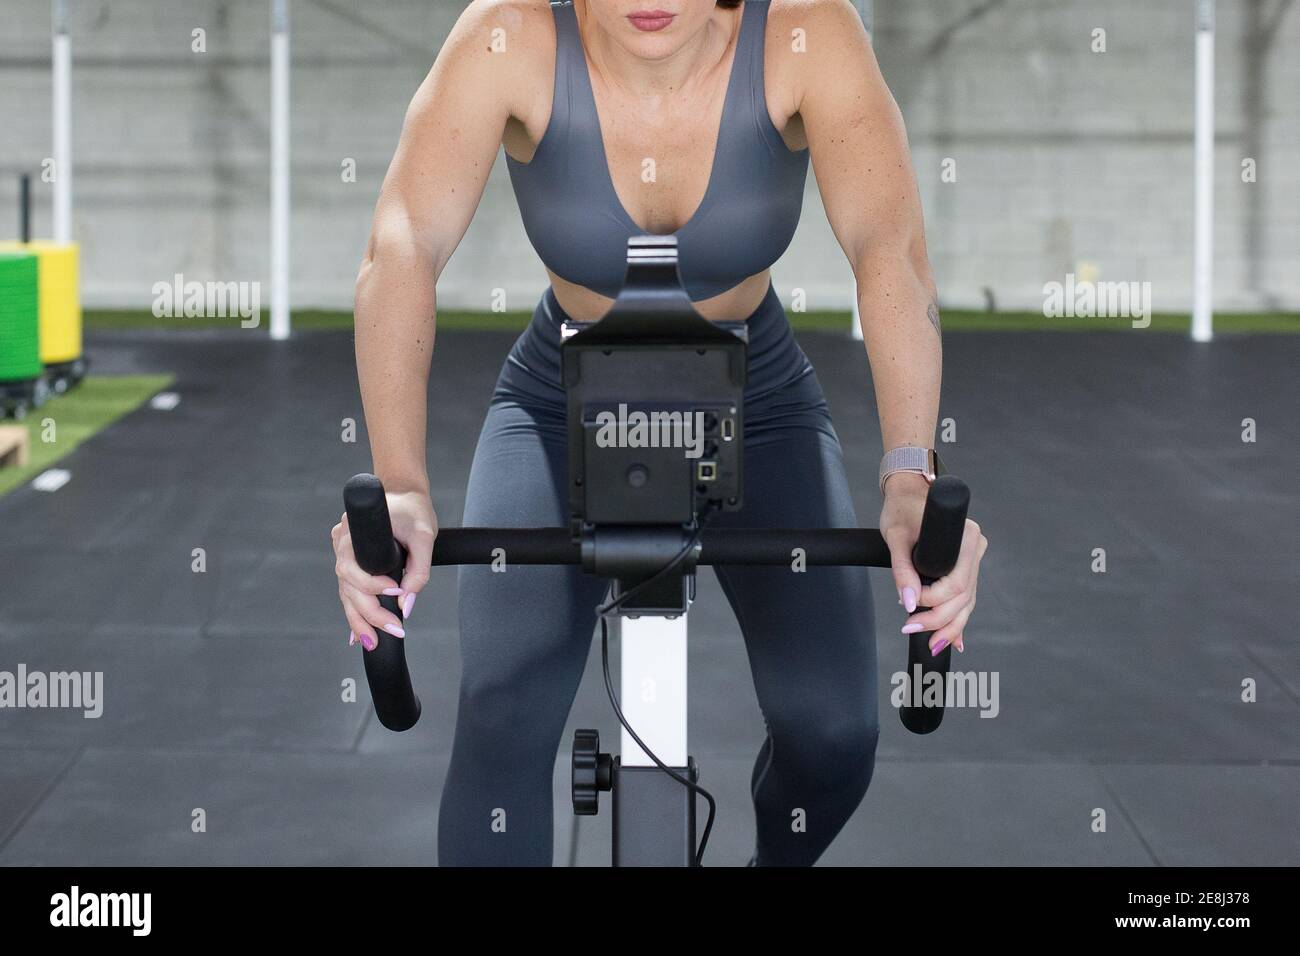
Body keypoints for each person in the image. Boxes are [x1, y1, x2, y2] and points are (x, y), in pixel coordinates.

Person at [331, 0, 988, 866]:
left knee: (832, 733)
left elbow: (888, 247)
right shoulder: (510, 34)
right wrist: (402, 489)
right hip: (558, 398)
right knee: (502, 711)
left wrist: (911, 478)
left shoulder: (806, 32)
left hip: (759, 399)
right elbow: (403, 244)